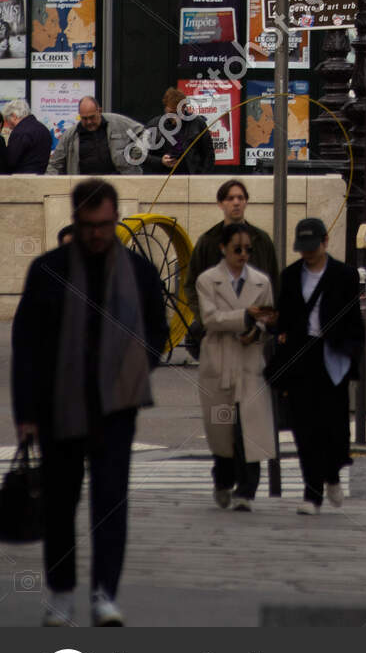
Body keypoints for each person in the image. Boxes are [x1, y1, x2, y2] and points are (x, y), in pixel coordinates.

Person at [11, 177, 168, 628]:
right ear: (76, 221)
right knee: (60, 504)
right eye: (90, 225)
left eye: (105, 224)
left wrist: (139, 368)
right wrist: (25, 415)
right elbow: (27, 347)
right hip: (59, 407)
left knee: (111, 503)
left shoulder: (138, 271)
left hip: (116, 407)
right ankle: (60, 592)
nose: (98, 233)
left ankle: (105, 593)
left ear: (115, 219)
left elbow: (158, 329)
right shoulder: (49, 270)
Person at [271, 218, 363, 514]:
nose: (307, 254)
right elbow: (283, 319)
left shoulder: (345, 275)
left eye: (312, 247)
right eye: (303, 249)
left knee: (334, 426)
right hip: (300, 355)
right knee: (303, 427)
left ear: (325, 241)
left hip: (332, 354)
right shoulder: (289, 276)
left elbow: (354, 322)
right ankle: (312, 493)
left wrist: (353, 356)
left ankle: (333, 474)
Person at [196, 221, 276, 511]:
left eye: (248, 250)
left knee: (250, 429)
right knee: (222, 429)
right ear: (223, 249)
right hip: (219, 363)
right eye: (237, 249)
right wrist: (245, 315)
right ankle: (222, 479)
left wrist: (256, 329)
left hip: (250, 361)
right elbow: (210, 318)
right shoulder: (207, 280)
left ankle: (247, 490)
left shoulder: (261, 282)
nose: (243, 255)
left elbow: (267, 318)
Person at [183, 179, 279, 360]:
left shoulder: (262, 240)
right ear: (220, 204)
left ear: (246, 202)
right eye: (230, 198)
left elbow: (274, 281)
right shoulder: (208, 241)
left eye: (240, 198)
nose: (236, 202)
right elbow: (191, 284)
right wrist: (204, 317)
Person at [45, 96, 144, 176]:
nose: (89, 122)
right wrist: (51, 184)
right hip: (85, 188)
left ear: (99, 111)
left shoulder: (118, 122)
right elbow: (54, 164)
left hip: (121, 184)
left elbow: (144, 133)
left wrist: (137, 150)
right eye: (84, 118)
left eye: (92, 117)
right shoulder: (70, 136)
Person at [139, 88, 215, 175]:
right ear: (165, 108)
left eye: (178, 113)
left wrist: (202, 177)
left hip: (192, 178)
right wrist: (160, 161)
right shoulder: (154, 126)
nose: (175, 117)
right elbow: (139, 154)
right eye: (171, 112)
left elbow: (209, 154)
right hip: (163, 179)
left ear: (184, 108)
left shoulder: (198, 123)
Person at [1, 98, 53, 174]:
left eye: (7, 120)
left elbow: (10, 161)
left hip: (20, 179)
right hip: (40, 178)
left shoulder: (20, 132)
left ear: (14, 116)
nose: (8, 126)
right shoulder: (43, 129)